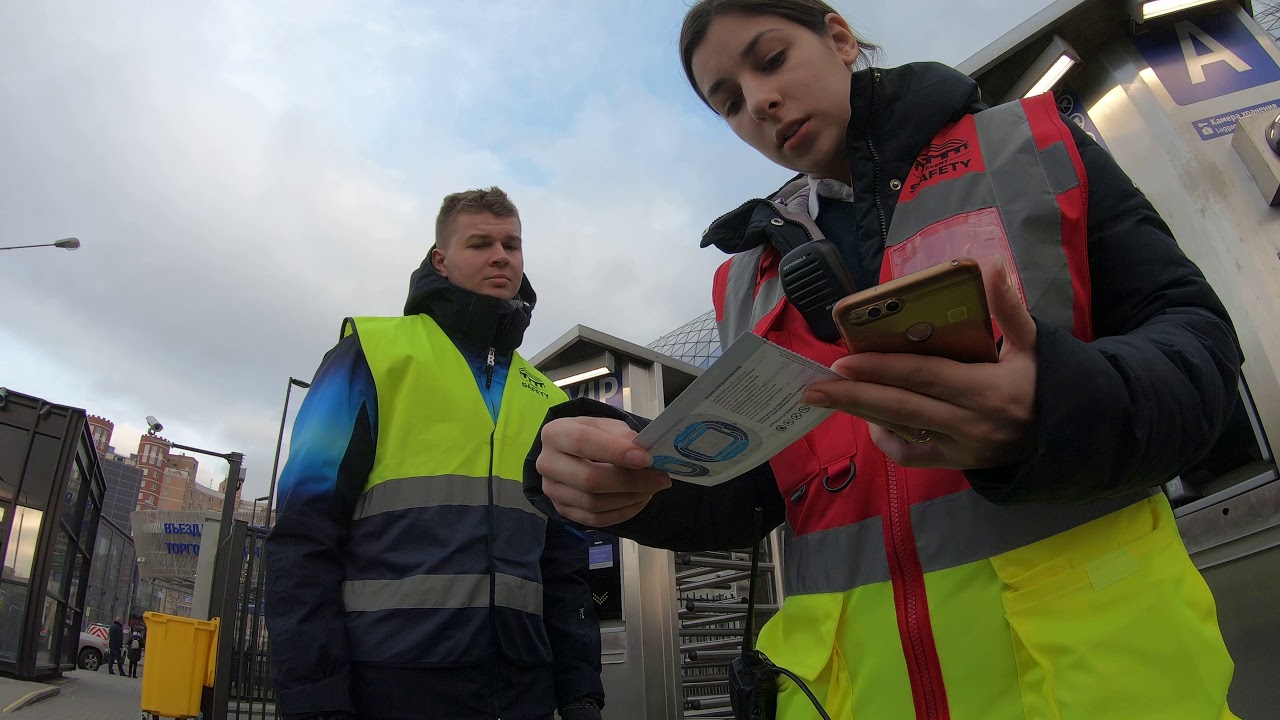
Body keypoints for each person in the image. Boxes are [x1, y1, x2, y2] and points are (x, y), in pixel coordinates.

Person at [525, 2, 1244, 718]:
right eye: (730, 102)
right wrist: (620, 476)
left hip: (1094, 686)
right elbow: (754, 494)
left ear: (840, 37)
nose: (760, 102)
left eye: (770, 60)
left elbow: (1201, 353)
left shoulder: (1030, 144)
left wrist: (1051, 406)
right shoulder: (744, 275)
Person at [265, 187, 604, 720]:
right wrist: (315, 698)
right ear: (440, 261)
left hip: (524, 689)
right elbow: (303, 536)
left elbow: (563, 565)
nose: (501, 255)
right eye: (480, 243)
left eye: (512, 245)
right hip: (390, 684)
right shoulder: (373, 354)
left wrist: (580, 692)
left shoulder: (545, 396)